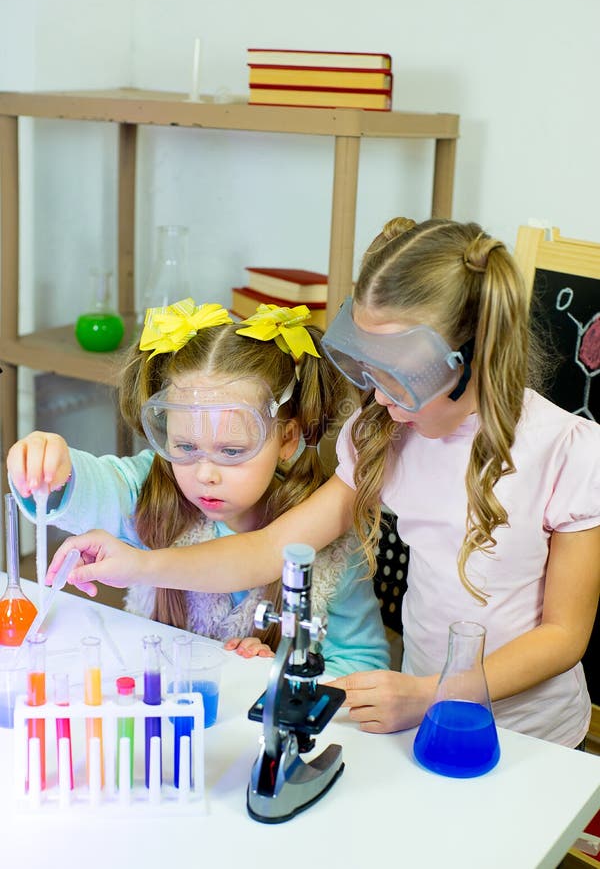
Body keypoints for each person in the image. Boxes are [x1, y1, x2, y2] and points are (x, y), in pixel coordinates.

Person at [42, 219, 600, 748]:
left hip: (530, 731)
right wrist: (136, 564)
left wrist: (431, 694)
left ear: (472, 354)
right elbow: (267, 550)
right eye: (370, 371)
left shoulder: (568, 453)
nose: (379, 398)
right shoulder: (385, 432)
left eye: (402, 380)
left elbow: (563, 637)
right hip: (420, 714)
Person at [8, 298, 390, 677]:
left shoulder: (330, 539)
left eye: (232, 450)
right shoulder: (154, 491)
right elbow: (96, 489)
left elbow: (363, 666)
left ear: (288, 439)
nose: (204, 473)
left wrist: (280, 671)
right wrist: (53, 468)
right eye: (186, 447)